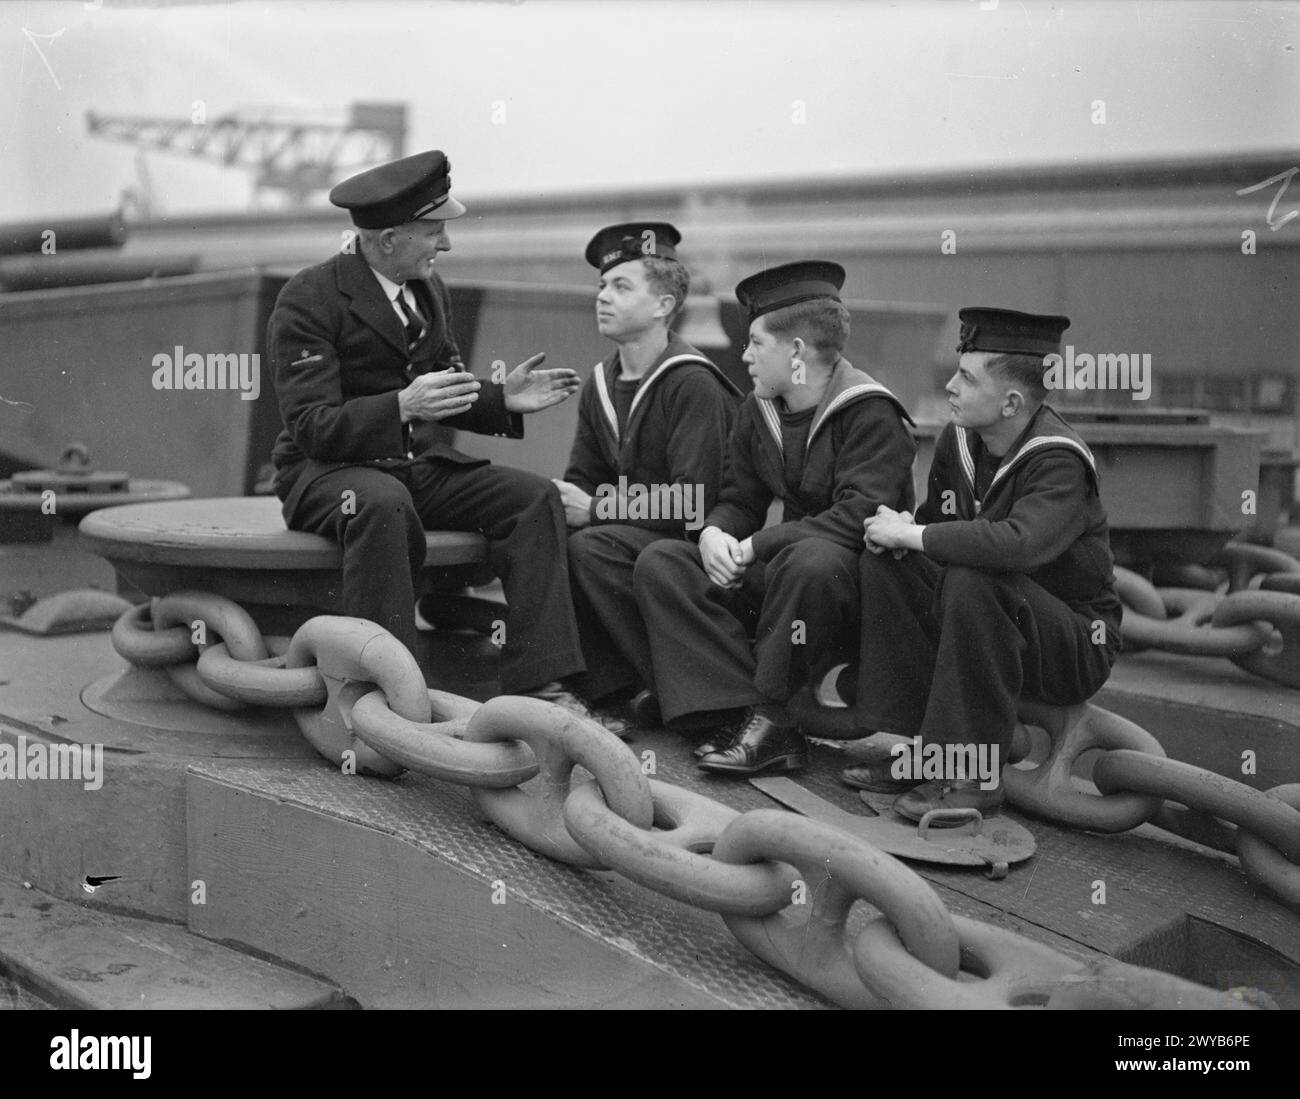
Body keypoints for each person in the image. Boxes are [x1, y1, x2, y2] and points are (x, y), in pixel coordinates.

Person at [266, 149, 591, 706]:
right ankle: (391, 691)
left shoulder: (426, 289)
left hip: (407, 467)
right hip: (326, 474)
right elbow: (311, 426)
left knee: (535, 500)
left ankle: (540, 681)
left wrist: (499, 399)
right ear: (388, 239)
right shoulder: (310, 298)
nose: (447, 244)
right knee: (383, 503)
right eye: (434, 231)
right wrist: (399, 407)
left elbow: (438, 391)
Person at [633, 261, 917, 775]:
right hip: (791, 578)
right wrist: (716, 533)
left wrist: (758, 547)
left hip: (848, 591)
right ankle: (727, 707)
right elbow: (741, 497)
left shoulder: (871, 413)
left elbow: (858, 517)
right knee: (664, 562)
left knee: (809, 559)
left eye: (755, 344)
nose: (743, 356)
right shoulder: (758, 409)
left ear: (797, 352)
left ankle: (773, 724)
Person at [845, 307, 1122, 821]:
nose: (949, 386)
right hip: (991, 621)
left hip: (1071, 641)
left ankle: (971, 774)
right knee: (892, 561)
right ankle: (919, 751)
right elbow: (939, 527)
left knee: (976, 578)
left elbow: (1016, 545)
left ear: (1011, 402)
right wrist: (906, 535)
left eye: (967, 378)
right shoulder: (962, 438)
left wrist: (917, 533)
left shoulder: (1058, 459)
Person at [552, 223, 742, 728]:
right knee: (557, 532)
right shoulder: (600, 383)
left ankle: (675, 691)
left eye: (621, 287)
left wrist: (594, 509)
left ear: (663, 305)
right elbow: (582, 478)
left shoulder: (692, 382)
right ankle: (605, 689)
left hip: (699, 551)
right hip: (631, 539)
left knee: (591, 544)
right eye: (601, 287)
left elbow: (692, 504)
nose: (604, 298)